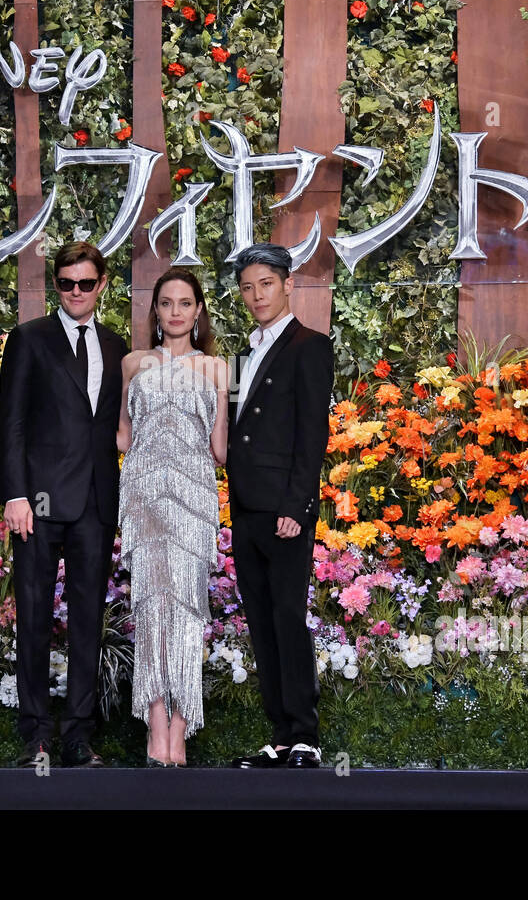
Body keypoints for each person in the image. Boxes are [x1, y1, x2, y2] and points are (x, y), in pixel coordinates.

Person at [0, 241, 127, 768]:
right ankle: (35, 735)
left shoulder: (118, 348)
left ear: (102, 285)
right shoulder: (29, 339)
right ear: (56, 286)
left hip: (95, 504)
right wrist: (16, 494)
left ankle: (76, 735)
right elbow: (14, 424)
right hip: (40, 502)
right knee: (32, 617)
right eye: (67, 283)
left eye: (86, 283)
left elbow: (119, 427)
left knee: (87, 624)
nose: (77, 292)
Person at [224, 243, 334, 769]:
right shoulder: (243, 352)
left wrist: (297, 504)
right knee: (261, 620)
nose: (256, 294)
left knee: (288, 616)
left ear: (288, 284)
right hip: (246, 509)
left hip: (284, 510)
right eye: (247, 286)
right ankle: (280, 732)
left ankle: (306, 733)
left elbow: (312, 433)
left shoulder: (309, 345)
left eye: (265, 283)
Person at [117, 268, 228, 767]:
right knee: (151, 612)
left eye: (186, 303)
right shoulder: (132, 364)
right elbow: (122, 436)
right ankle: (154, 723)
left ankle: (179, 728)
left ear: (198, 310)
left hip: (193, 503)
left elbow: (221, 449)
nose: (177, 311)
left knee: (185, 612)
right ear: (156, 310)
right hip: (142, 499)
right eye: (167, 303)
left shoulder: (216, 368)